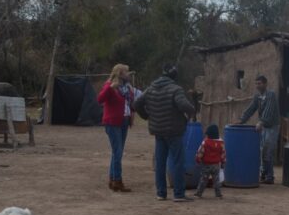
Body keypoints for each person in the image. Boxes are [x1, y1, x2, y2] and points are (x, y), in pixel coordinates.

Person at [134, 64, 196, 202]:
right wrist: (192, 111)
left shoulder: (151, 88)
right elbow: (183, 105)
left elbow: (137, 103)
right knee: (178, 161)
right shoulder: (176, 89)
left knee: (160, 162)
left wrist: (147, 116)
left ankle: (161, 193)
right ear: (174, 76)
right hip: (174, 130)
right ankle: (179, 194)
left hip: (158, 130)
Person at [96, 63, 138, 192]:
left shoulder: (127, 87)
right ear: (120, 73)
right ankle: (117, 181)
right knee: (118, 152)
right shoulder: (110, 85)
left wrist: (132, 114)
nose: (128, 74)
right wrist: (110, 88)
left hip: (124, 121)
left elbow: (130, 102)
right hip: (113, 122)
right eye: (126, 72)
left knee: (117, 153)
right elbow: (99, 99)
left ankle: (113, 180)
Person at [237, 75, 280, 184]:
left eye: (259, 83)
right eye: (256, 83)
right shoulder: (258, 97)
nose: (257, 85)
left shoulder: (271, 95)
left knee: (267, 149)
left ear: (265, 84)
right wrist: (242, 120)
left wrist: (261, 122)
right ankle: (264, 174)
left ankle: (270, 177)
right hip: (264, 127)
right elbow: (251, 108)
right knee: (262, 150)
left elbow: (268, 111)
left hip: (272, 127)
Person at [194, 124, 225, 199]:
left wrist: (198, 159)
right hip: (216, 165)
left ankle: (198, 194)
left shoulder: (205, 142)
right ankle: (218, 195)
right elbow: (223, 153)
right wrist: (223, 162)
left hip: (206, 165)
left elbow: (201, 152)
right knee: (216, 181)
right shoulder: (221, 143)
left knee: (203, 180)